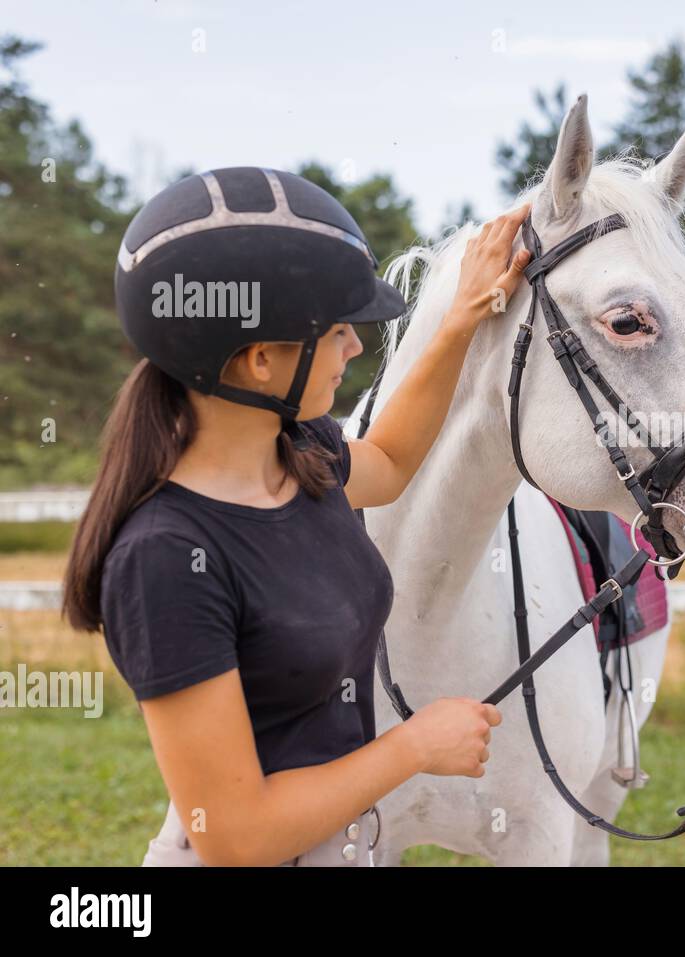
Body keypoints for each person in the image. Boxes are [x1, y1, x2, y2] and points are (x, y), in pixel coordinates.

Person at [61, 166, 531, 866]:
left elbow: (395, 460)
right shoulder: (164, 559)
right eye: (338, 330)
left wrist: (462, 316)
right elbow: (236, 835)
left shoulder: (301, 451)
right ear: (257, 361)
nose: (354, 347)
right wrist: (413, 746)